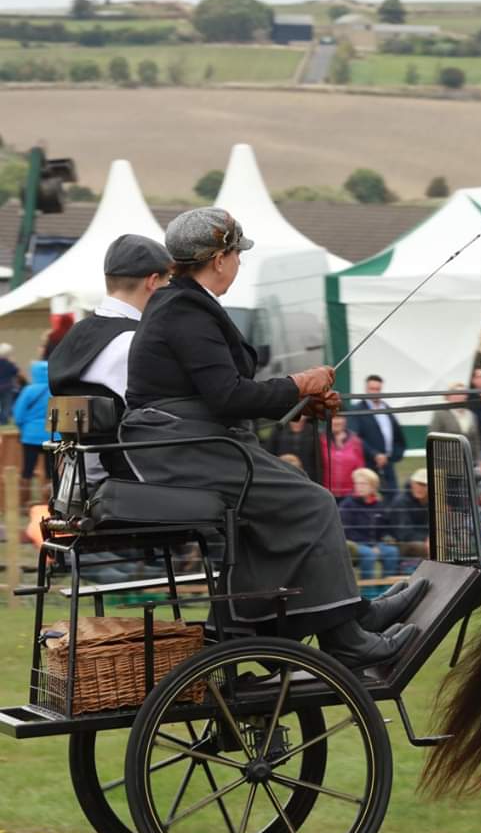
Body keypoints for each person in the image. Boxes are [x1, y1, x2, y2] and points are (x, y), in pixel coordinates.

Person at [121, 207, 424, 668]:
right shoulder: (185, 309)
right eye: (236, 255)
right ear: (219, 258)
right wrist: (299, 385)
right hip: (183, 449)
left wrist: (298, 401)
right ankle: (346, 639)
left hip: (193, 440)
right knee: (314, 502)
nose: (238, 265)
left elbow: (217, 394)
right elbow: (226, 396)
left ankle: (353, 614)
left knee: (297, 500)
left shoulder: (182, 303)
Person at [47, 233, 172, 480]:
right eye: (169, 281)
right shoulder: (133, 343)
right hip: (129, 479)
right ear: (153, 281)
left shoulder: (76, 334)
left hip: (75, 478)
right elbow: (165, 417)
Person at [339, 468, 400, 585]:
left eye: (363, 484)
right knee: (369, 554)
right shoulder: (347, 504)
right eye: (357, 484)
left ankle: (387, 589)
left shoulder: (378, 504)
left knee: (392, 552)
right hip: (353, 544)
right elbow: (346, 530)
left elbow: (385, 527)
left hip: (375, 544)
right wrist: (372, 546)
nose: (359, 487)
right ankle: (368, 591)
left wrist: (387, 538)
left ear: (373, 487)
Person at [350, 374, 406, 494]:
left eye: (378, 389)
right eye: (372, 389)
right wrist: (374, 454)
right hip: (367, 464)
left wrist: (394, 454)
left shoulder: (386, 408)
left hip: (387, 464)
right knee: (370, 498)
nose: (375, 392)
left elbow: (397, 435)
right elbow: (356, 437)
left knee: (393, 498)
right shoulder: (357, 410)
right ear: (366, 389)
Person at [13, 357, 53, 504]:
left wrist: (23, 428)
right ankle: (49, 502)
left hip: (30, 436)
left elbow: (18, 414)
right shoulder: (55, 390)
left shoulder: (29, 390)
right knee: (51, 472)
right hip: (52, 435)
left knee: (27, 470)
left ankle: (24, 502)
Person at [319, 413, 368, 498]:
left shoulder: (356, 441)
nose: (336, 421)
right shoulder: (320, 440)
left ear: (345, 420)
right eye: (333, 418)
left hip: (351, 495)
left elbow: (360, 468)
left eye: (339, 418)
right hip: (326, 494)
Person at [430, 382, 481, 455]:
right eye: (456, 393)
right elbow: (433, 439)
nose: (460, 396)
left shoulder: (471, 415)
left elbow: (477, 439)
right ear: (449, 396)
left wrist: (479, 458)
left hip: (470, 458)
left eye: (462, 393)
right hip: (447, 458)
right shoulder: (440, 414)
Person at [266, 415, 321, 482]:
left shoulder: (313, 431)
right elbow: (269, 452)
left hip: (306, 476)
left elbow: (318, 458)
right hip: (282, 473)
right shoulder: (279, 428)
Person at [0, 344, 22, 424]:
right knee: (6, 405)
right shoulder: (9, 364)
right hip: (7, 387)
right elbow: (16, 372)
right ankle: (3, 420)